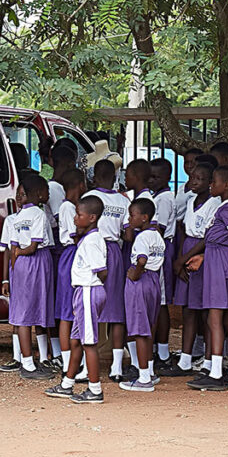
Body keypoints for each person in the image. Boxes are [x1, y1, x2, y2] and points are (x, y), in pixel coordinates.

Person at [185, 166, 228, 390]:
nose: (211, 185)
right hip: (217, 261)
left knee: (214, 318)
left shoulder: (226, 209)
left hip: (221, 266)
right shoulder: (224, 208)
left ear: (227, 185)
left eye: (214, 181)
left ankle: (215, 373)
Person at [45, 196, 109, 404]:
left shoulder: (92, 241)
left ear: (91, 218)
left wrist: (90, 285)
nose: (74, 218)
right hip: (82, 292)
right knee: (76, 341)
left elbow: (102, 271)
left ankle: (95, 389)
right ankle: (67, 384)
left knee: (88, 342)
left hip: (89, 291)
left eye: (79, 215)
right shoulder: (88, 239)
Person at [165, 161, 219, 376]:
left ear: (210, 182)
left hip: (200, 254)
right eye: (192, 177)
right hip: (187, 250)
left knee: (204, 311)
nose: (193, 182)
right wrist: (179, 259)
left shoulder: (214, 204)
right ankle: (185, 360)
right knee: (187, 309)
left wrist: (185, 258)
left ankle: (207, 360)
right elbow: (184, 231)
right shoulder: (190, 201)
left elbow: (207, 237)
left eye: (199, 179)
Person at [82, 160, 131, 382]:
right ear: (115, 176)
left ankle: (84, 365)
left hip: (93, 247)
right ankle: (117, 367)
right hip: (114, 252)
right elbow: (128, 235)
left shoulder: (90, 199)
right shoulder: (123, 200)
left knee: (87, 303)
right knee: (116, 311)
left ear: (95, 176)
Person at [9, 175, 56, 380]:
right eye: (46, 191)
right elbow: (34, 245)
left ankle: (27, 360)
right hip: (35, 261)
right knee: (29, 313)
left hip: (19, 266)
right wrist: (22, 253)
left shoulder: (16, 216)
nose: (48, 195)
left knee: (23, 310)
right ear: (37, 194)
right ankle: (28, 364)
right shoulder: (38, 213)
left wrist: (16, 262)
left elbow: (13, 247)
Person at [119, 198, 166, 392]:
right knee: (149, 327)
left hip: (141, 281)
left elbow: (141, 259)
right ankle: (151, 372)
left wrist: (136, 273)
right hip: (154, 281)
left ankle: (143, 377)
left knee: (139, 330)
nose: (130, 219)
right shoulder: (157, 236)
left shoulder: (141, 238)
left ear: (144, 217)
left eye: (132, 215)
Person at [54, 169, 87, 374]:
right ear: (81, 186)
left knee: (73, 311)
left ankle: (74, 358)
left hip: (74, 254)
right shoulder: (67, 208)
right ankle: (67, 361)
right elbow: (73, 234)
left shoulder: (70, 206)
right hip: (70, 254)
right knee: (68, 312)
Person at [148, 158, 177, 370]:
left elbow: (159, 229)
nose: (151, 180)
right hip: (156, 248)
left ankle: (164, 351)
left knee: (162, 301)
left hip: (161, 249)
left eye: (156, 177)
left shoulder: (165, 199)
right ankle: (159, 348)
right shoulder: (155, 196)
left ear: (167, 177)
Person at [0, 182, 28, 373]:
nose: (18, 197)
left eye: (23, 194)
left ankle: (29, 358)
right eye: (17, 193)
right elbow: (7, 251)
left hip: (28, 267)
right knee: (16, 315)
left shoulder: (36, 217)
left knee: (28, 315)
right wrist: (5, 279)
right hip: (15, 271)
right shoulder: (9, 220)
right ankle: (17, 357)